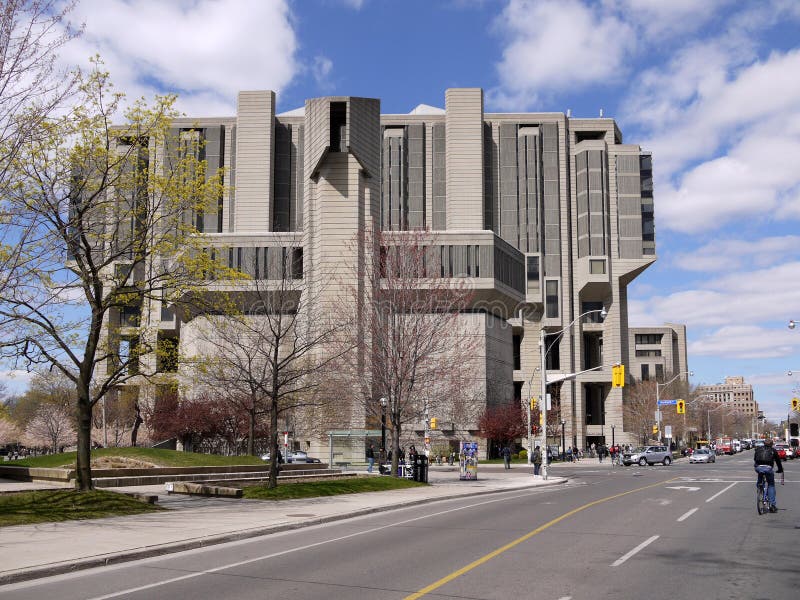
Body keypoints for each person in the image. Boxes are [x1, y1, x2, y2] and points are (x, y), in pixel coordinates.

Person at [754, 438, 784, 512]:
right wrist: (780, 469)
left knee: (760, 474)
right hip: (768, 468)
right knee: (771, 485)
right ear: (771, 444)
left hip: (758, 468)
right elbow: (778, 461)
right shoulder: (773, 451)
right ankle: (772, 505)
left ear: (764, 443)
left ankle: (759, 486)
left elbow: (755, 459)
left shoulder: (758, 449)